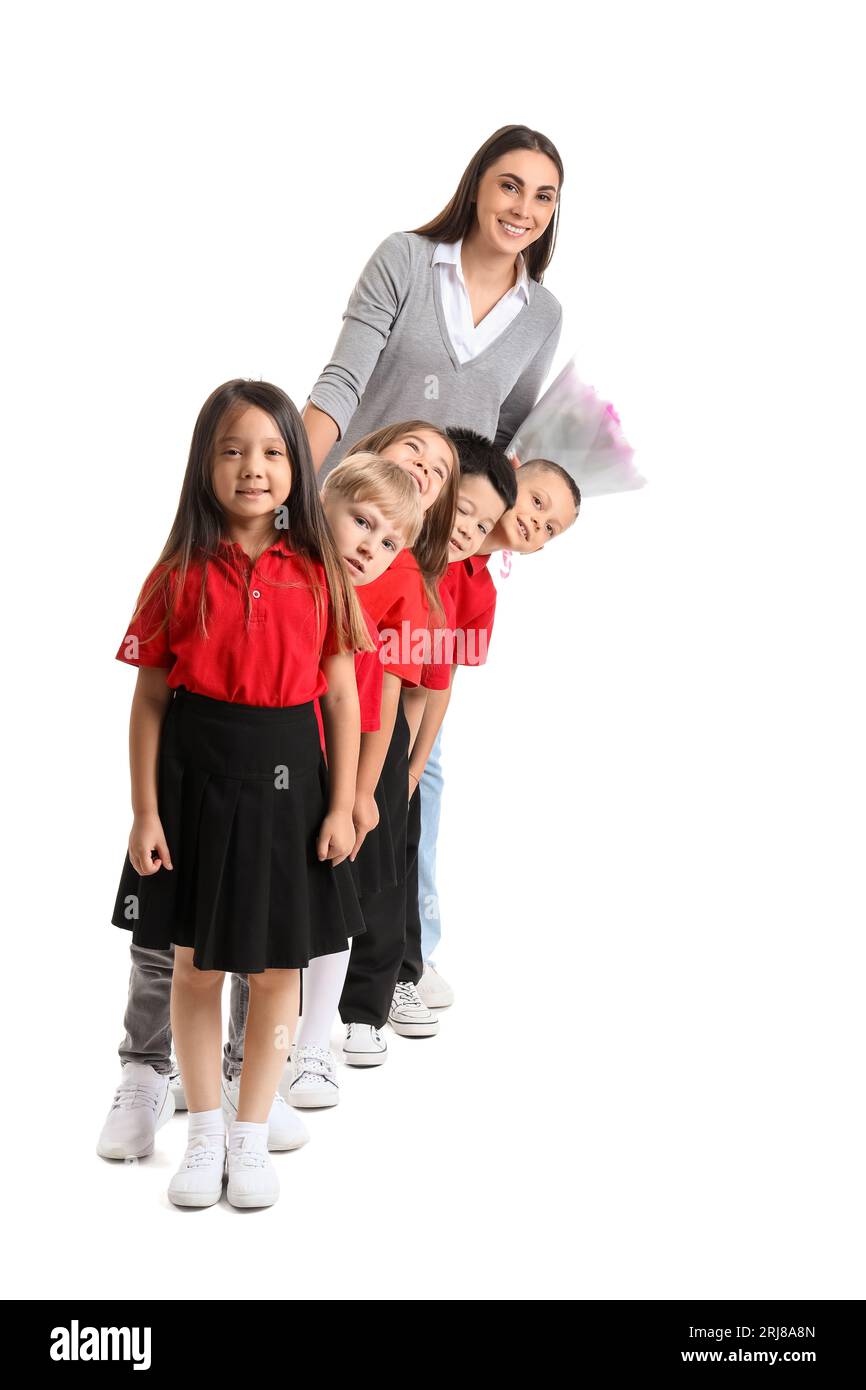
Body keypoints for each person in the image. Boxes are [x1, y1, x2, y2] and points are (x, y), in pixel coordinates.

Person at [104, 380, 370, 1209]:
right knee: (194, 966)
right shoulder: (177, 571)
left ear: (295, 462)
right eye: (231, 450)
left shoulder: (321, 569)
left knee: (276, 971)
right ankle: (206, 1132)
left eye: (270, 450)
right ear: (204, 464)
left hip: (291, 781)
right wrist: (146, 810)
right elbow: (149, 698)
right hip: (195, 780)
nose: (252, 468)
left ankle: (252, 1137)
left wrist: (341, 802)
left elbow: (341, 695)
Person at [411, 439, 582, 1007]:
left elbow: (445, 678)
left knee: (425, 797)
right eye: (537, 503)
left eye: (551, 528)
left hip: (414, 712)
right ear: (510, 481)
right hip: (363, 698)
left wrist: (417, 759)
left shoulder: (481, 585)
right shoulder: (433, 536)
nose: (537, 525)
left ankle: (413, 954)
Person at [302, 123, 565, 479]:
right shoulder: (404, 259)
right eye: (509, 187)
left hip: (434, 530)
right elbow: (342, 383)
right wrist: (290, 496)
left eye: (543, 197)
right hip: (342, 504)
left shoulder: (543, 317)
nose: (523, 209)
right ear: (475, 187)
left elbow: (503, 442)